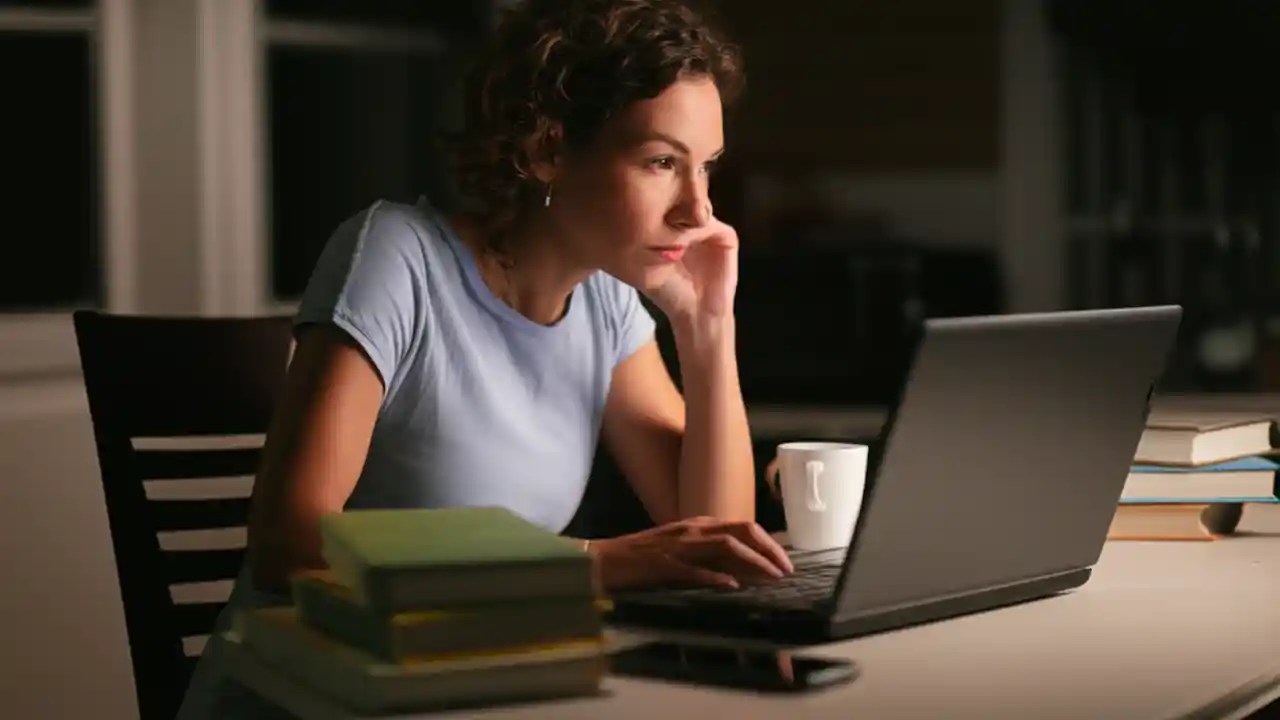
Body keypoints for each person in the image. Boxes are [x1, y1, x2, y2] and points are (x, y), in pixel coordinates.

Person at [177, 1, 792, 716]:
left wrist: (707, 329)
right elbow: (291, 541)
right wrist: (592, 565)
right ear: (545, 150)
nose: (698, 209)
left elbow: (711, 548)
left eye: (706, 168)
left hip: (467, 693)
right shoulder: (396, 255)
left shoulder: (607, 303)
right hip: (312, 700)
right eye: (661, 162)